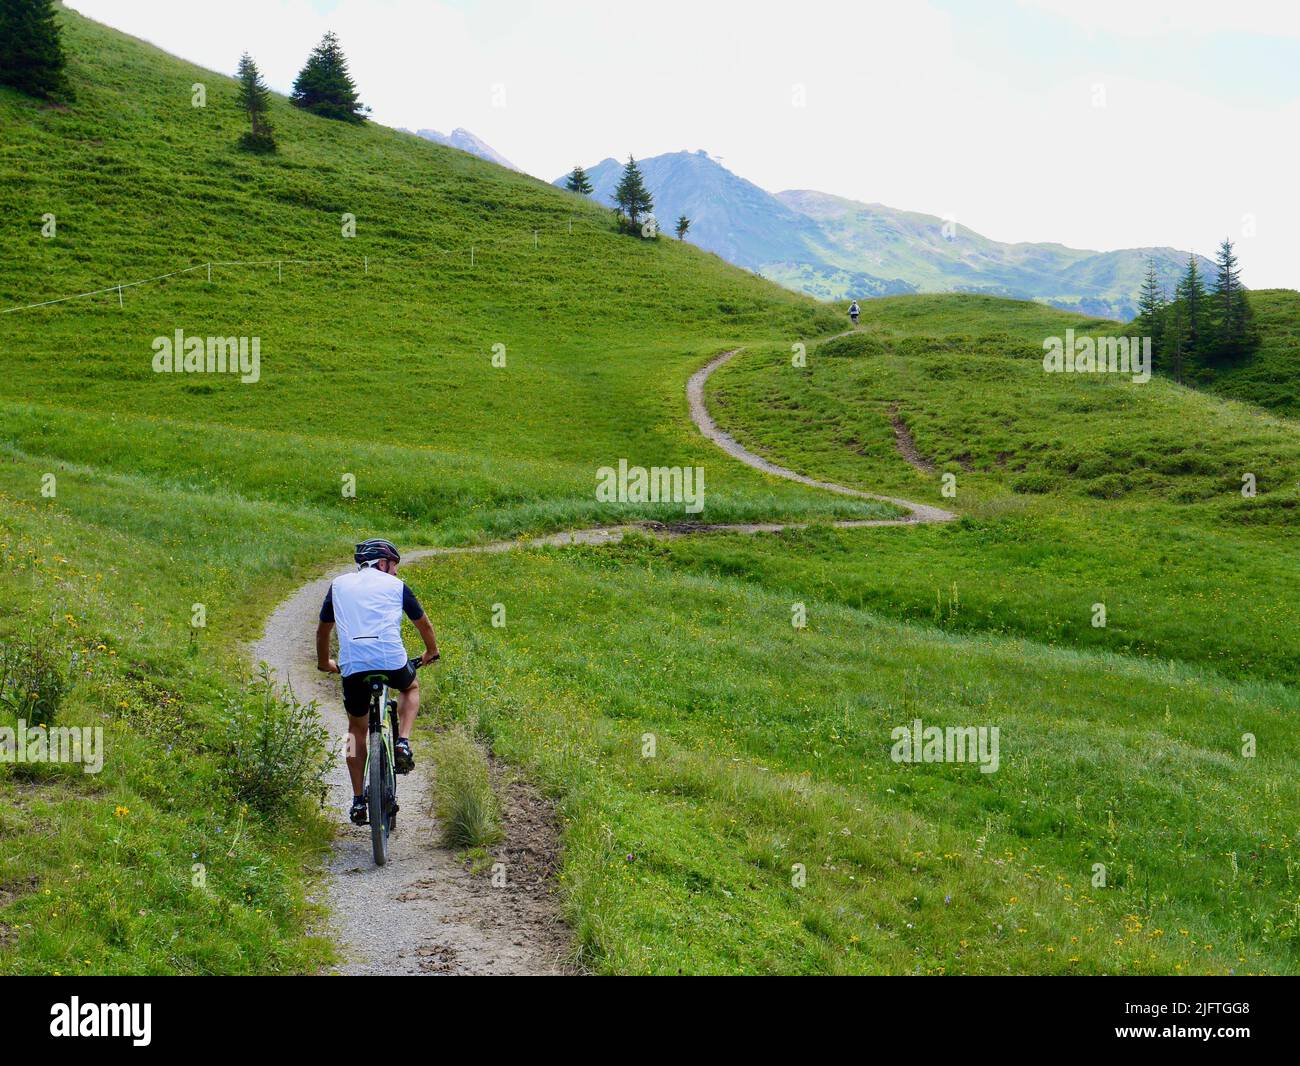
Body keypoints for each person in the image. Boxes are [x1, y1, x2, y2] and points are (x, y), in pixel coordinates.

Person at [316, 538, 439, 826]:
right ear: (382, 563)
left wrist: (325, 663)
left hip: (353, 666)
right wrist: (431, 652)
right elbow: (424, 624)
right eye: (394, 566)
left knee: (355, 730)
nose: (395, 573)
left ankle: (359, 800)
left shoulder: (338, 585)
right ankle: (404, 742)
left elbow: (323, 632)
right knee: (410, 687)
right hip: (391, 660)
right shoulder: (397, 587)